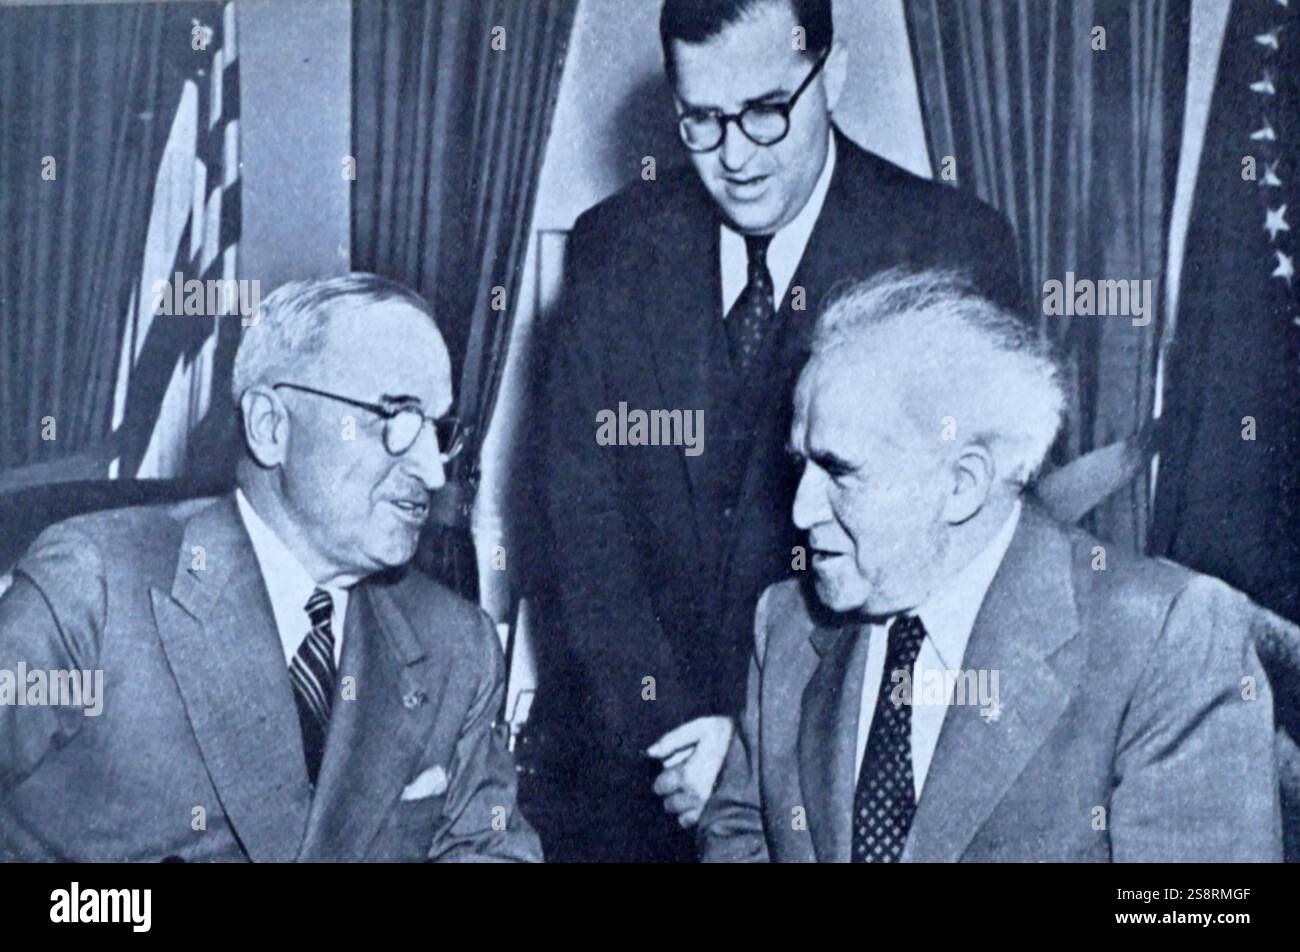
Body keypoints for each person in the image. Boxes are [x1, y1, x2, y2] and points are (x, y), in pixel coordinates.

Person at [534, 0, 1023, 861]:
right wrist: (674, 728)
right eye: (701, 120)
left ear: (829, 75)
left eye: (765, 111)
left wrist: (756, 741)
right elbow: (583, 523)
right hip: (632, 776)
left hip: (838, 770)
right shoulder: (612, 248)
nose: (735, 156)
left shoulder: (951, 249)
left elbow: (963, 554)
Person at [698, 269, 1286, 862]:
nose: (802, 510)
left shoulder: (1164, 638)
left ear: (962, 485)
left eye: (840, 471)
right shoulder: (787, 625)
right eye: (801, 466)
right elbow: (737, 842)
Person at [0, 273, 541, 862]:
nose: (434, 473)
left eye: (438, 431)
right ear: (270, 427)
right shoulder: (96, 588)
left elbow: (491, 851)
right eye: (397, 419)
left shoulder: (455, 645)